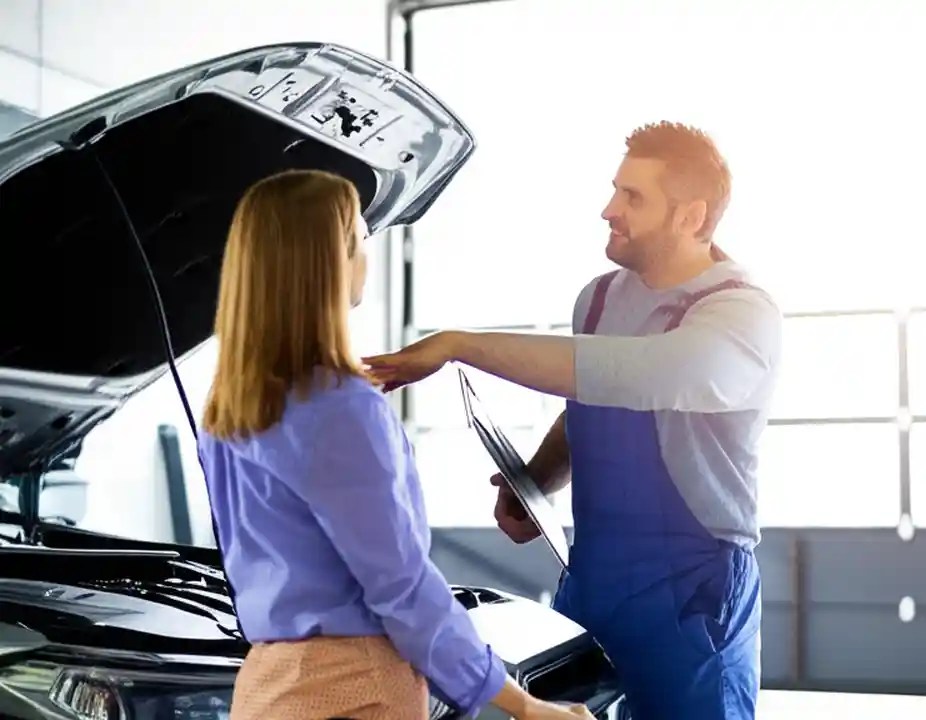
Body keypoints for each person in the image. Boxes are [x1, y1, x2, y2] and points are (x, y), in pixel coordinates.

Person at [363, 121, 783, 720]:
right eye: (615, 189)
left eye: (632, 197)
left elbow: (634, 375)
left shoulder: (742, 313)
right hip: (595, 573)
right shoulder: (599, 298)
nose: (609, 210)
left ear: (691, 217)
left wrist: (459, 344)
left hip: (694, 589)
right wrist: (536, 479)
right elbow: (589, 398)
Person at [197, 169, 593, 720]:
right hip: (354, 690)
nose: (369, 253)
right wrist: (523, 706)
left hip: (267, 689)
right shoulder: (340, 409)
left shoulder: (225, 408)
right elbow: (401, 590)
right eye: (360, 237)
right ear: (326, 263)